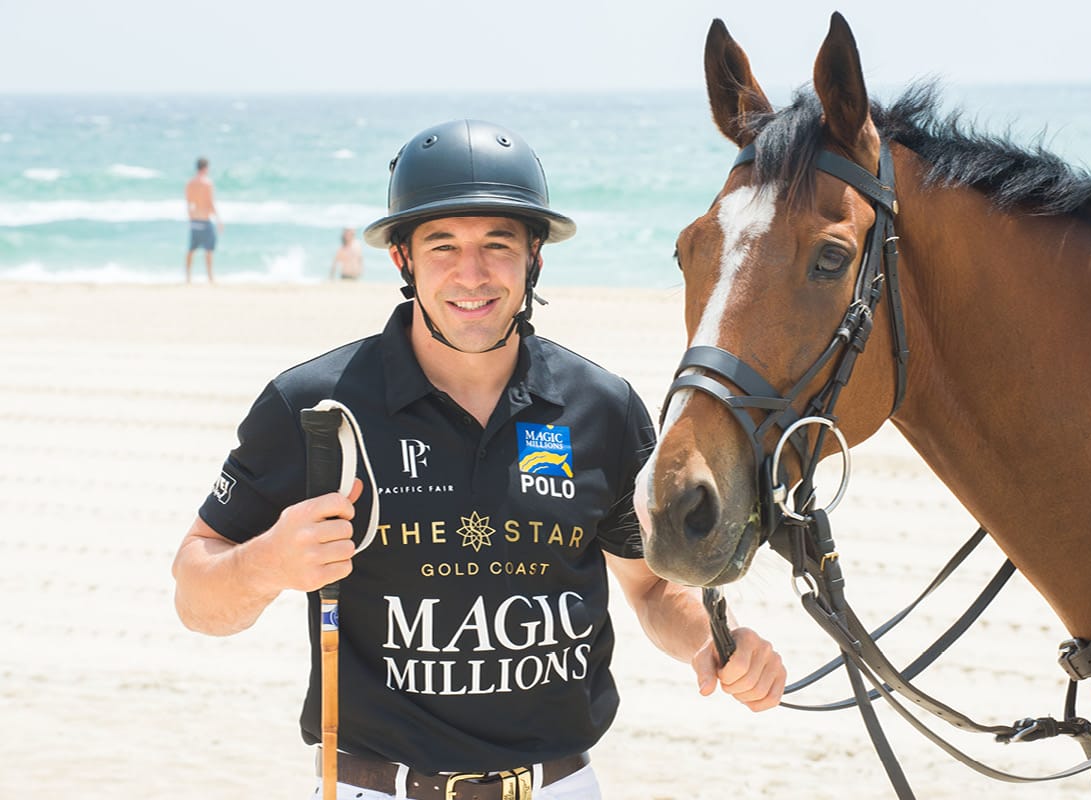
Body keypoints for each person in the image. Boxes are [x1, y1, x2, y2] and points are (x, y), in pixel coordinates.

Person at [171, 119, 785, 800]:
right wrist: (267, 563)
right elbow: (195, 594)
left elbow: (651, 588)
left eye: (498, 244)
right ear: (402, 259)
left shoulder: (601, 407)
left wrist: (711, 642)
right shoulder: (314, 405)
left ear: (534, 257)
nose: (472, 274)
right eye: (442, 246)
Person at [185, 156, 222, 283]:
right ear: (205, 168)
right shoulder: (207, 183)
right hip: (205, 220)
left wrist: (191, 217)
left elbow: (189, 203)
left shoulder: (190, 183)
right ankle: (210, 277)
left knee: (191, 250)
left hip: (194, 220)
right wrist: (218, 219)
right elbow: (210, 202)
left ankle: (188, 277)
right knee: (209, 250)